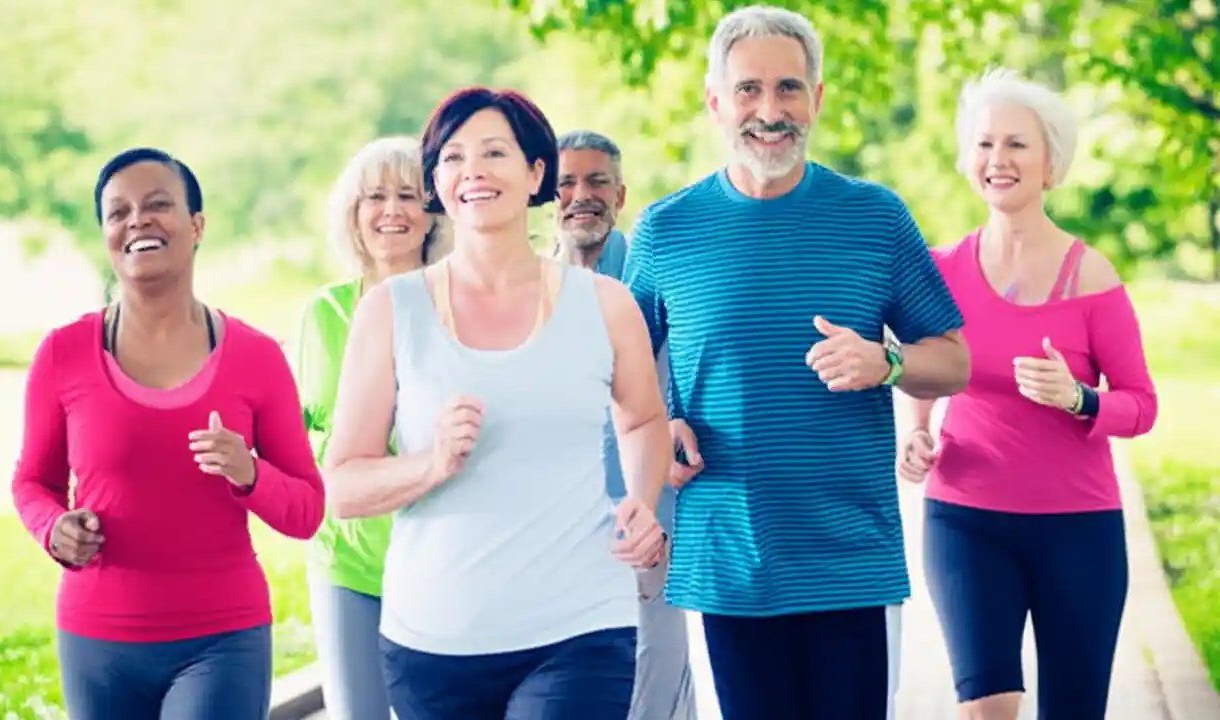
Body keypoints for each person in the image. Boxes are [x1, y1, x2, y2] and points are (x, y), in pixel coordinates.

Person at [622, 7, 971, 719]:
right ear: (715, 101)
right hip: (728, 559)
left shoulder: (875, 216)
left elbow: (955, 362)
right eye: (748, 90)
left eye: (788, 89)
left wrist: (889, 362)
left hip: (849, 554)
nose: (769, 111)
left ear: (816, 98)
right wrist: (669, 426)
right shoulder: (666, 230)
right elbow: (619, 377)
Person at [321, 87, 670, 720]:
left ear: (537, 173)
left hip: (582, 624)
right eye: (452, 158)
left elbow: (643, 419)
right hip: (435, 638)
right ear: (436, 182)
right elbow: (343, 485)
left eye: (493, 153)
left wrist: (642, 501)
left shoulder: (605, 304)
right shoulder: (390, 312)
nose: (473, 172)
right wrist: (430, 463)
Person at [10, 147, 325, 720]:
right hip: (97, 639)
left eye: (158, 205)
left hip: (222, 638)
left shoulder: (255, 357)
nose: (138, 221)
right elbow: (33, 482)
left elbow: (306, 509)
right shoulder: (62, 354)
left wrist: (249, 472)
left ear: (197, 225)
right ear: (106, 233)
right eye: (119, 212)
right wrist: (54, 528)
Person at [898, 68, 1159, 720]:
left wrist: (1081, 399)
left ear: (1051, 165)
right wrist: (919, 430)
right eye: (984, 144)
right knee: (986, 707)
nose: (998, 159)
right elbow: (925, 368)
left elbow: (1141, 404)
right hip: (966, 519)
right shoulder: (941, 271)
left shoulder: (1091, 276)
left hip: (1079, 529)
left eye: (1017, 144)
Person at [295, 136, 452, 720]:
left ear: (433, 213)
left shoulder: (456, 305)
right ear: (353, 216)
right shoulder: (324, 312)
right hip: (346, 558)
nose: (392, 211)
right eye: (375, 197)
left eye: (409, 195)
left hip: (439, 554)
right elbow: (297, 429)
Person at [553, 128, 697, 720]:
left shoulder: (657, 279)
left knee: (655, 678)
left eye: (596, 182)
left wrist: (685, 420)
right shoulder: (529, 286)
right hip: (557, 523)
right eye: (566, 182)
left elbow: (689, 373)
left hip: (647, 511)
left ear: (620, 195)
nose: (581, 195)